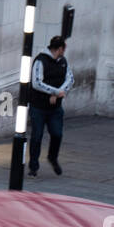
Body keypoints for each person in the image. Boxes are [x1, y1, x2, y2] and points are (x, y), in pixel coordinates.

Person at [28, 35, 74, 177]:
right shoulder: (40, 61)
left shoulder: (63, 62)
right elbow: (36, 83)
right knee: (37, 136)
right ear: (60, 49)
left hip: (55, 108)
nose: (64, 52)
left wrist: (60, 92)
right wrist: (54, 92)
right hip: (38, 107)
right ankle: (33, 167)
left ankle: (52, 157)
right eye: (63, 49)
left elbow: (70, 79)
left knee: (57, 134)